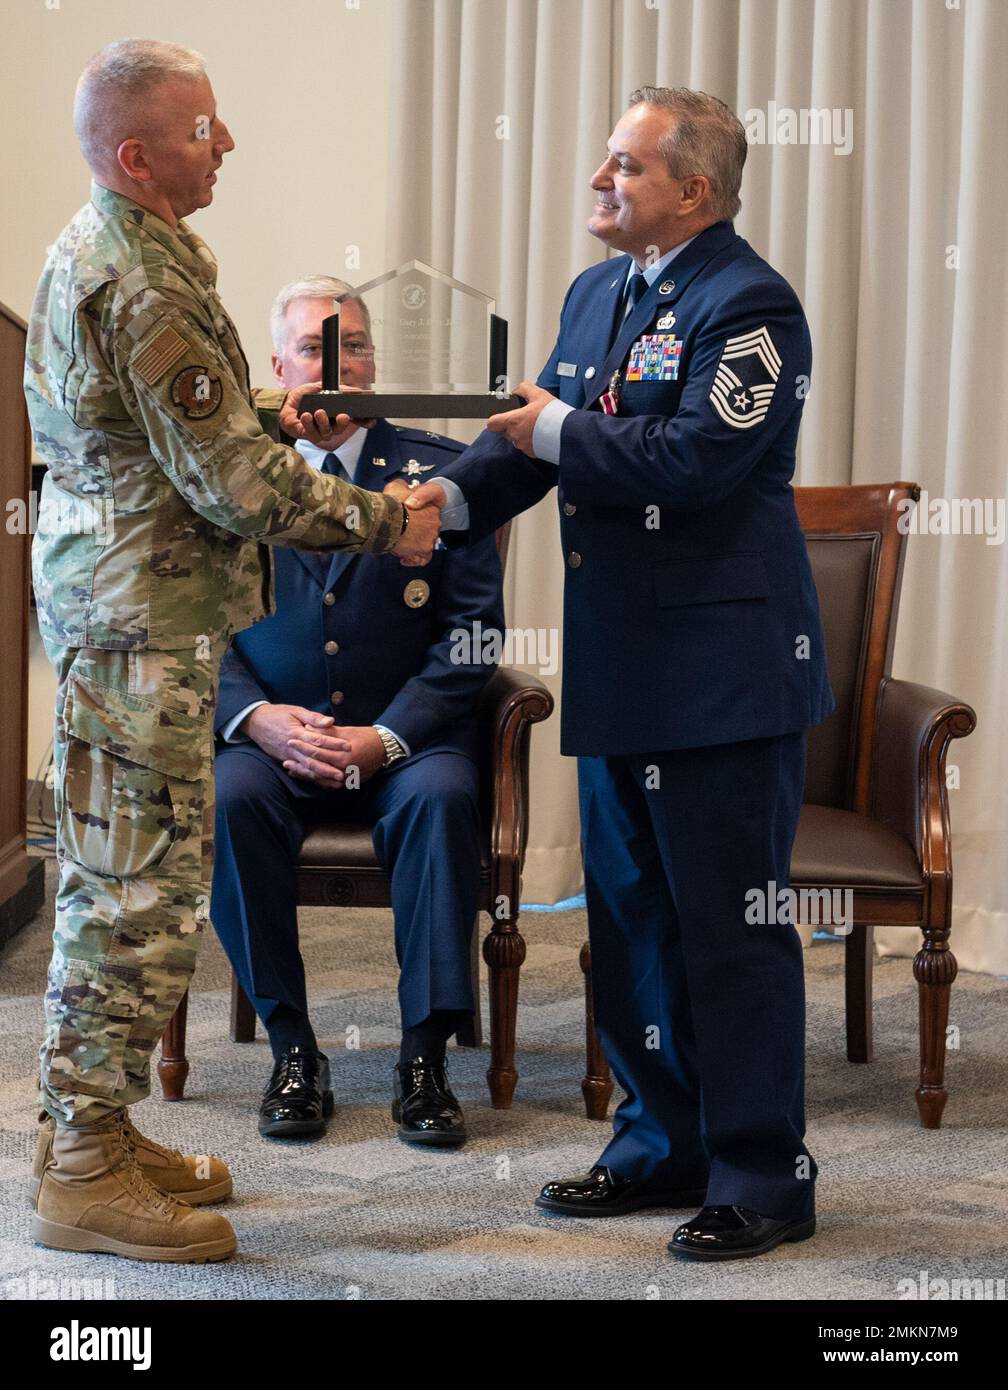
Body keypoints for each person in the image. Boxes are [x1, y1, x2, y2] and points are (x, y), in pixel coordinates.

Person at [382, 88, 835, 1261]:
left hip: (727, 674)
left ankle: (762, 1175)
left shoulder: (753, 305)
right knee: (629, 920)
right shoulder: (599, 294)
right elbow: (526, 444)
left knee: (729, 929)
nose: (599, 179)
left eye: (626, 165)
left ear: (693, 188)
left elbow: (691, 460)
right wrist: (448, 498)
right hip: (625, 668)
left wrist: (541, 435)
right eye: (605, 160)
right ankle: (657, 1143)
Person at [25, 39, 438, 1265]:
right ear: (141, 153)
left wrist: (266, 412)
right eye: (206, 130)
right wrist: (381, 516)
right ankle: (86, 1167)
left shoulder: (119, 245)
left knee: (120, 874)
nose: (230, 144)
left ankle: (85, 1129)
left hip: (128, 613)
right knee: (136, 893)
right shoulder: (140, 279)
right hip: (137, 627)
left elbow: (173, 430)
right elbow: (237, 486)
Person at [211, 276, 504, 1146]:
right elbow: (198, 627)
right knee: (228, 803)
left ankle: (425, 1059)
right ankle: (294, 1050)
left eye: (358, 348)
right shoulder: (233, 476)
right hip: (271, 740)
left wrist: (386, 737)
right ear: (278, 370)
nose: (340, 369)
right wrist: (255, 719)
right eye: (315, 350)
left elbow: (473, 640)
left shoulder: (444, 473)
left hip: (407, 743)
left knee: (443, 801)